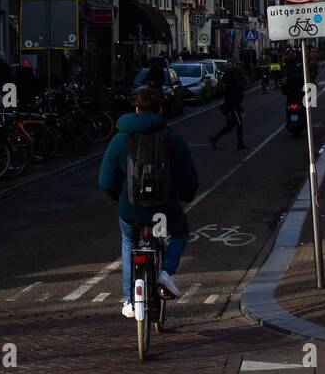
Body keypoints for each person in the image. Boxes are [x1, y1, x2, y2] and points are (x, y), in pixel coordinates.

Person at [99, 87, 199, 312]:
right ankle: (167, 272)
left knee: (129, 242)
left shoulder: (120, 139)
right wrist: (184, 198)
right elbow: (189, 179)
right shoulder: (172, 139)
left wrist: (121, 198)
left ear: (136, 109)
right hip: (163, 210)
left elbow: (105, 180)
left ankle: (128, 299)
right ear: (160, 110)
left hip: (131, 209)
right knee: (180, 232)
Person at [209, 64, 248, 150]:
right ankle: (240, 143)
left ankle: (215, 138)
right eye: (228, 65)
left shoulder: (233, 78)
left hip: (233, 106)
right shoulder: (229, 81)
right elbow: (230, 96)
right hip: (232, 107)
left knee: (230, 127)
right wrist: (231, 109)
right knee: (239, 124)